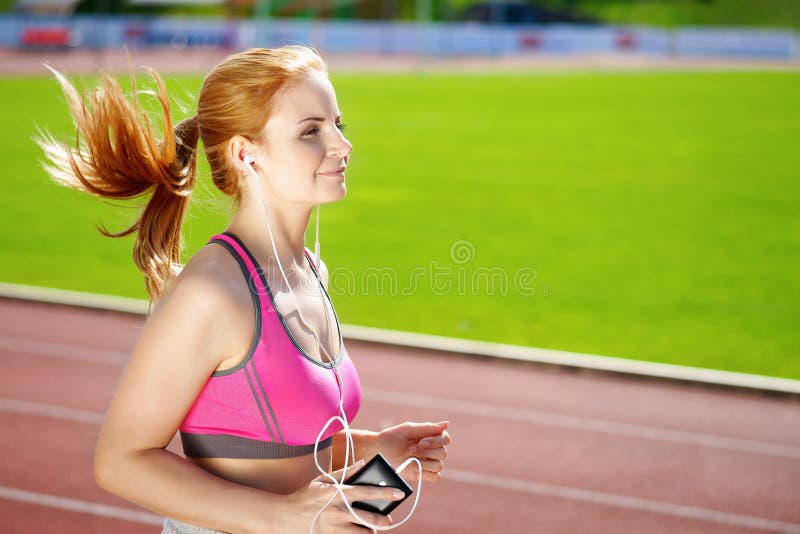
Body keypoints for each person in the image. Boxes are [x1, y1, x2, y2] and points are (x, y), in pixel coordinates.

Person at [35, 45, 451, 533]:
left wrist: (374, 448)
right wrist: (282, 518)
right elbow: (119, 461)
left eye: (338, 124)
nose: (341, 145)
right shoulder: (213, 291)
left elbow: (273, 440)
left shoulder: (309, 269)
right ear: (244, 152)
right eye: (311, 131)